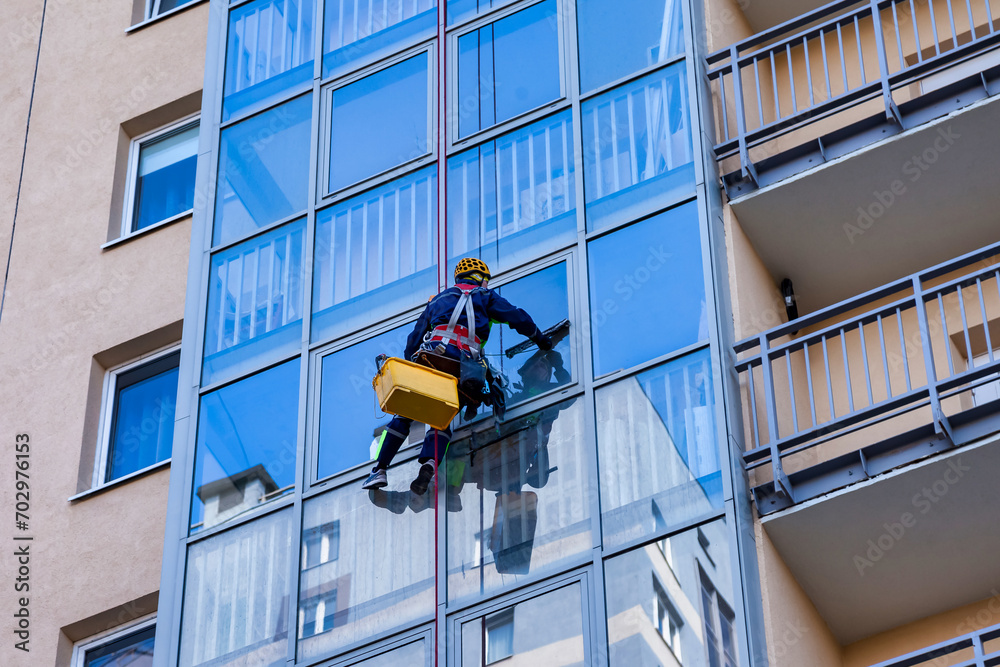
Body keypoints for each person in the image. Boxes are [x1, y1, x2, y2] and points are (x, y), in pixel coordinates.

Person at [363, 257, 553, 494]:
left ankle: (379, 469)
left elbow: (413, 340)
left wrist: (411, 368)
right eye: (485, 281)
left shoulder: (437, 301)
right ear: (479, 278)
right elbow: (517, 317)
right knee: (443, 414)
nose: (486, 284)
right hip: (464, 368)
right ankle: (430, 462)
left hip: (431, 358)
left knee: (405, 413)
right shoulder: (486, 296)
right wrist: (540, 339)